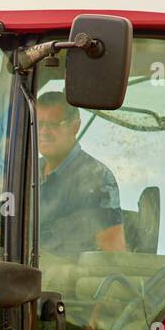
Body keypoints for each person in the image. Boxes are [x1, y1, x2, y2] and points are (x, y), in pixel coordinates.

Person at [36, 91, 125, 255]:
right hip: (24, 269)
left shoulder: (95, 177)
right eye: (39, 124)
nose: (44, 132)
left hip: (66, 277)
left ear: (75, 127)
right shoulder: (27, 172)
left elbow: (112, 252)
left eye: (53, 125)